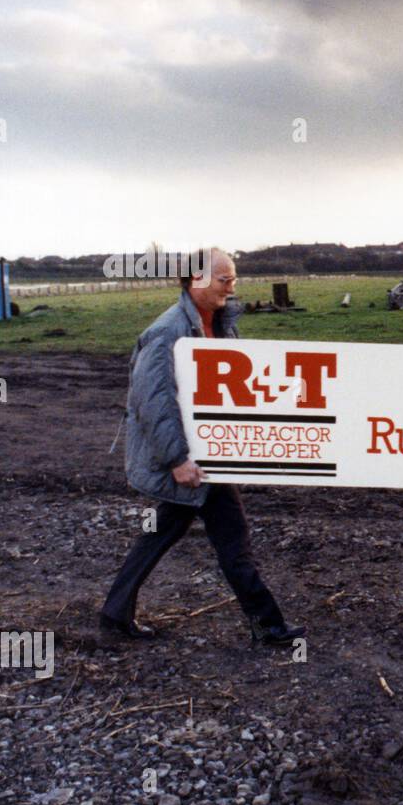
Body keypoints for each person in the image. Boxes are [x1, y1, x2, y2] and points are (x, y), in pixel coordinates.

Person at [98, 248, 305, 645]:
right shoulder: (167, 332)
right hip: (190, 460)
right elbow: (153, 402)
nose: (232, 287)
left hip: (208, 455)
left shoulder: (220, 324)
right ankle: (268, 625)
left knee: (164, 533)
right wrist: (177, 459)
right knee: (232, 538)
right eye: (224, 279)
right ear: (196, 280)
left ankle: (114, 614)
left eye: (234, 279)